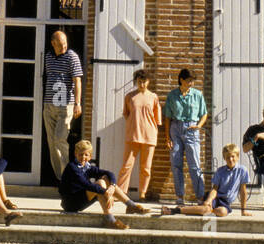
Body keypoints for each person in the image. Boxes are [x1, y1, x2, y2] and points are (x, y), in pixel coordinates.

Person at [59, 139, 149, 230]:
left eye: (86, 154)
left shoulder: (87, 167)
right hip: (70, 203)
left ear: (90, 156)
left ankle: (131, 206)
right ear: (75, 154)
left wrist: (112, 186)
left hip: (81, 199)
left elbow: (109, 173)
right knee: (100, 184)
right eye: (80, 154)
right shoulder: (72, 167)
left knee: (105, 179)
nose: (83, 157)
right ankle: (109, 219)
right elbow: (86, 185)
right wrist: (106, 193)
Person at [164, 144, 251, 217]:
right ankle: (175, 210)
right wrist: (208, 201)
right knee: (205, 208)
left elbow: (243, 191)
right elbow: (214, 189)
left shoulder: (242, 171)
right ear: (224, 158)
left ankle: (204, 210)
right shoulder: (220, 171)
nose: (230, 159)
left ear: (238, 157)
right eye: (228, 157)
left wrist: (243, 210)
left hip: (225, 202)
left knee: (222, 212)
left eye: (233, 156)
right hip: (215, 198)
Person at [42, 29, 84, 179]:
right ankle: (60, 177)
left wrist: (78, 103)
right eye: (60, 45)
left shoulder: (72, 56)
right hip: (49, 105)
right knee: (51, 141)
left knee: (60, 139)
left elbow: (77, 81)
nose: (64, 47)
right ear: (53, 43)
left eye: (65, 44)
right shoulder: (48, 57)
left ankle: (68, 176)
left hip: (65, 105)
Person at [163, 68, 208, 204]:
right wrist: (167, 137)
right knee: (176, 164)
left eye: (193, 81)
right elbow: (167, 118)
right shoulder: (172, 95)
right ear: (181, 80)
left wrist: (199, 126)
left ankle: (200, 197)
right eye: (189, 81)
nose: (191, 83)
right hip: (175, 129)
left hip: (192, 129)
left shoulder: (197, 95)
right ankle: (180, 197)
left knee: (194, 164)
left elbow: (204, 113)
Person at [117, 68, 162, 200]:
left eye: (144, 81)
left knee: (146, 167)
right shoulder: (129, 97)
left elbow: (157, 118)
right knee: (126, 166)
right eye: (139, 81)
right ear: (136, 81)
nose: (141, 84)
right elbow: (126, 114)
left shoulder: (154, 97)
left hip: (149, 136)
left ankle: (142, 193)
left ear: (148, 82)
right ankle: (120, 192)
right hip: (133, 135)